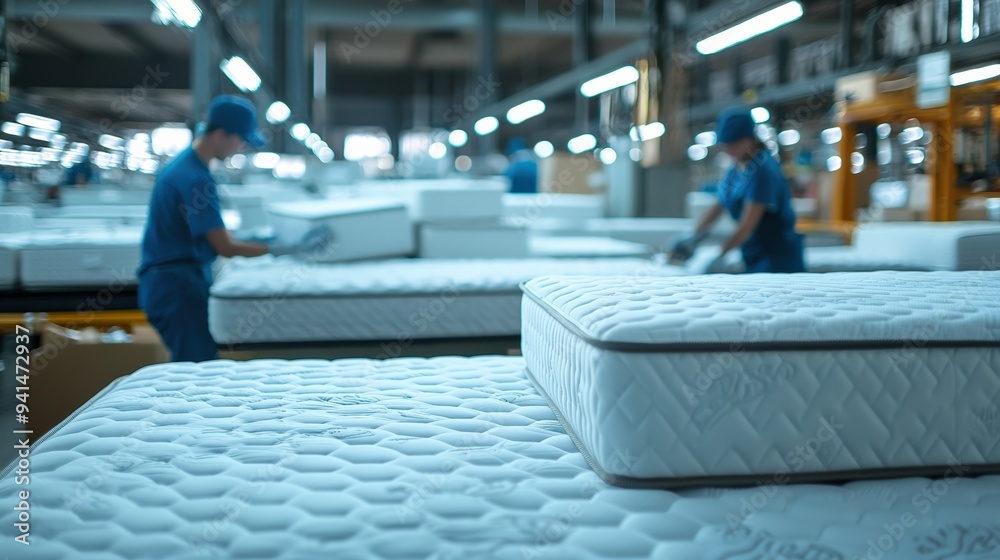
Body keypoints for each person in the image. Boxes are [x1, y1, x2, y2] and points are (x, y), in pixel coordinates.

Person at [138, 95, 331, 362]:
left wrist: (260, 238)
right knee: (196, 369)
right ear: (220, 135)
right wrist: (285, 248)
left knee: (192, 362)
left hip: (170, 282)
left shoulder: (185, 167)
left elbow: (217, 237)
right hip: (177, 287)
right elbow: (225, 247)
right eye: (239, 140)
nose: (239, 148)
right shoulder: (195, 178)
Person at [670, 107, 805, 274]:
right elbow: (720, 204)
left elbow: (747, 225)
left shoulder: (762, 170)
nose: (728, 150)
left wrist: (719, 254)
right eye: (725, 145)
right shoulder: (736, 169)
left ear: (749, 139)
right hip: (753, 252)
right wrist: (694, 236)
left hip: (777, 257)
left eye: (734, 144)